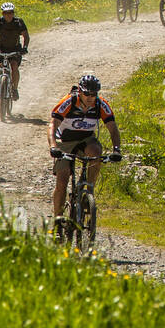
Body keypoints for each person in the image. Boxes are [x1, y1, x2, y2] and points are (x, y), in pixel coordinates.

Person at [48, 72, 122, 227]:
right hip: (66, 140)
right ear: (80, 91)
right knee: (62, 179)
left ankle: (89, 190)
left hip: (86, 139)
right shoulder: (68, 102)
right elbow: (52, 124)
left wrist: (117, 150)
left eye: (93, 94)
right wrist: (53, 146)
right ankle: (57, 219)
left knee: (95, 152)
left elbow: (113, 128)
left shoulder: (100, 104)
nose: (90, 97)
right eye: (87, 93)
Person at [0, 1, 28, 100]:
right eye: (6, 13)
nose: (8, 15)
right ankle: (0, 83)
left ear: (13, 13)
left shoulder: (18, 22)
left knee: (14, 66)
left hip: (15, 48)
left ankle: (15, 89)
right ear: (2, 14)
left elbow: (26, 35)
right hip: (1, 48)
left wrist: (25, 47)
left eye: (11, 12)